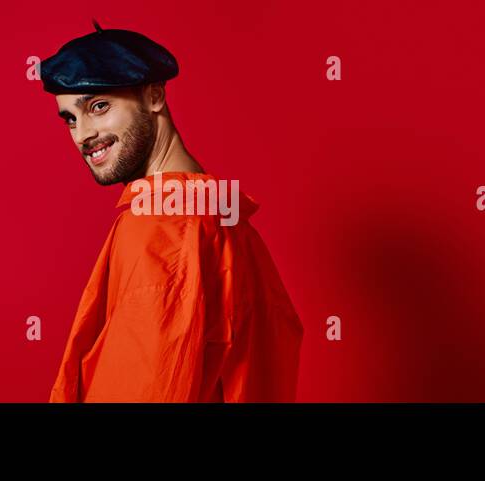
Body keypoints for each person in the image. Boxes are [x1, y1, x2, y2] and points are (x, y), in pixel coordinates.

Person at [42, 22, 304, 402]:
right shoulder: (225, 217)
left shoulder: (160, 228)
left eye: (99, 106)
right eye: (70, 118)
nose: (83, 134)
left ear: (153, 96)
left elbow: (148, 385)